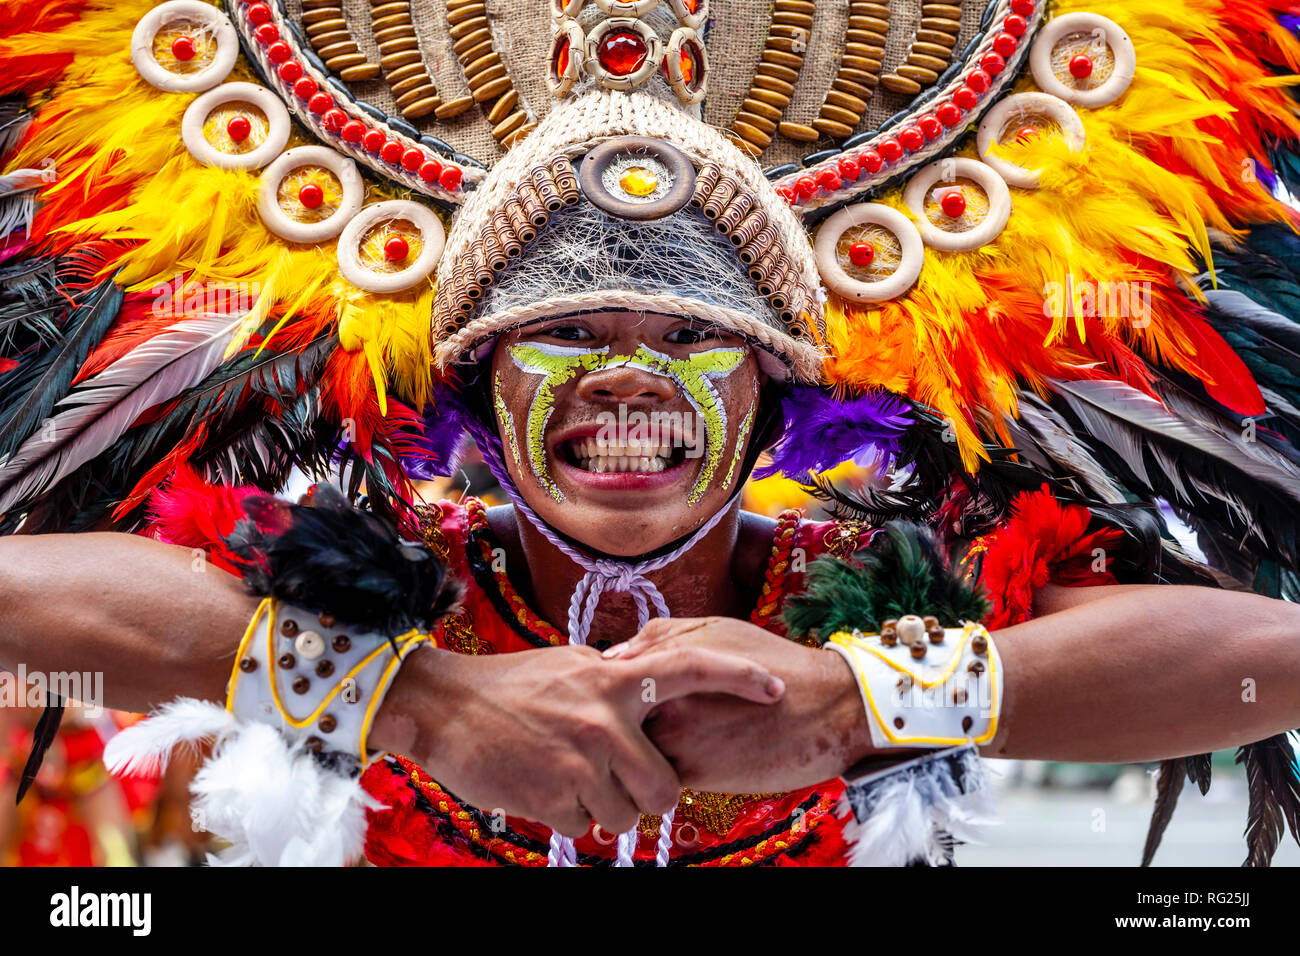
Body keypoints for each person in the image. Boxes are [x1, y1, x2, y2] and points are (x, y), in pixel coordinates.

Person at [2, 0, 1299, 866]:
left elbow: (1265, 660)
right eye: (569, 329)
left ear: (775, 390)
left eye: (689, 339)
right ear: (475, 381)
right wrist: (423, 699)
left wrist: (859, 705)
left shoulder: (871, 608)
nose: (628, 377)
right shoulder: (388, 593)